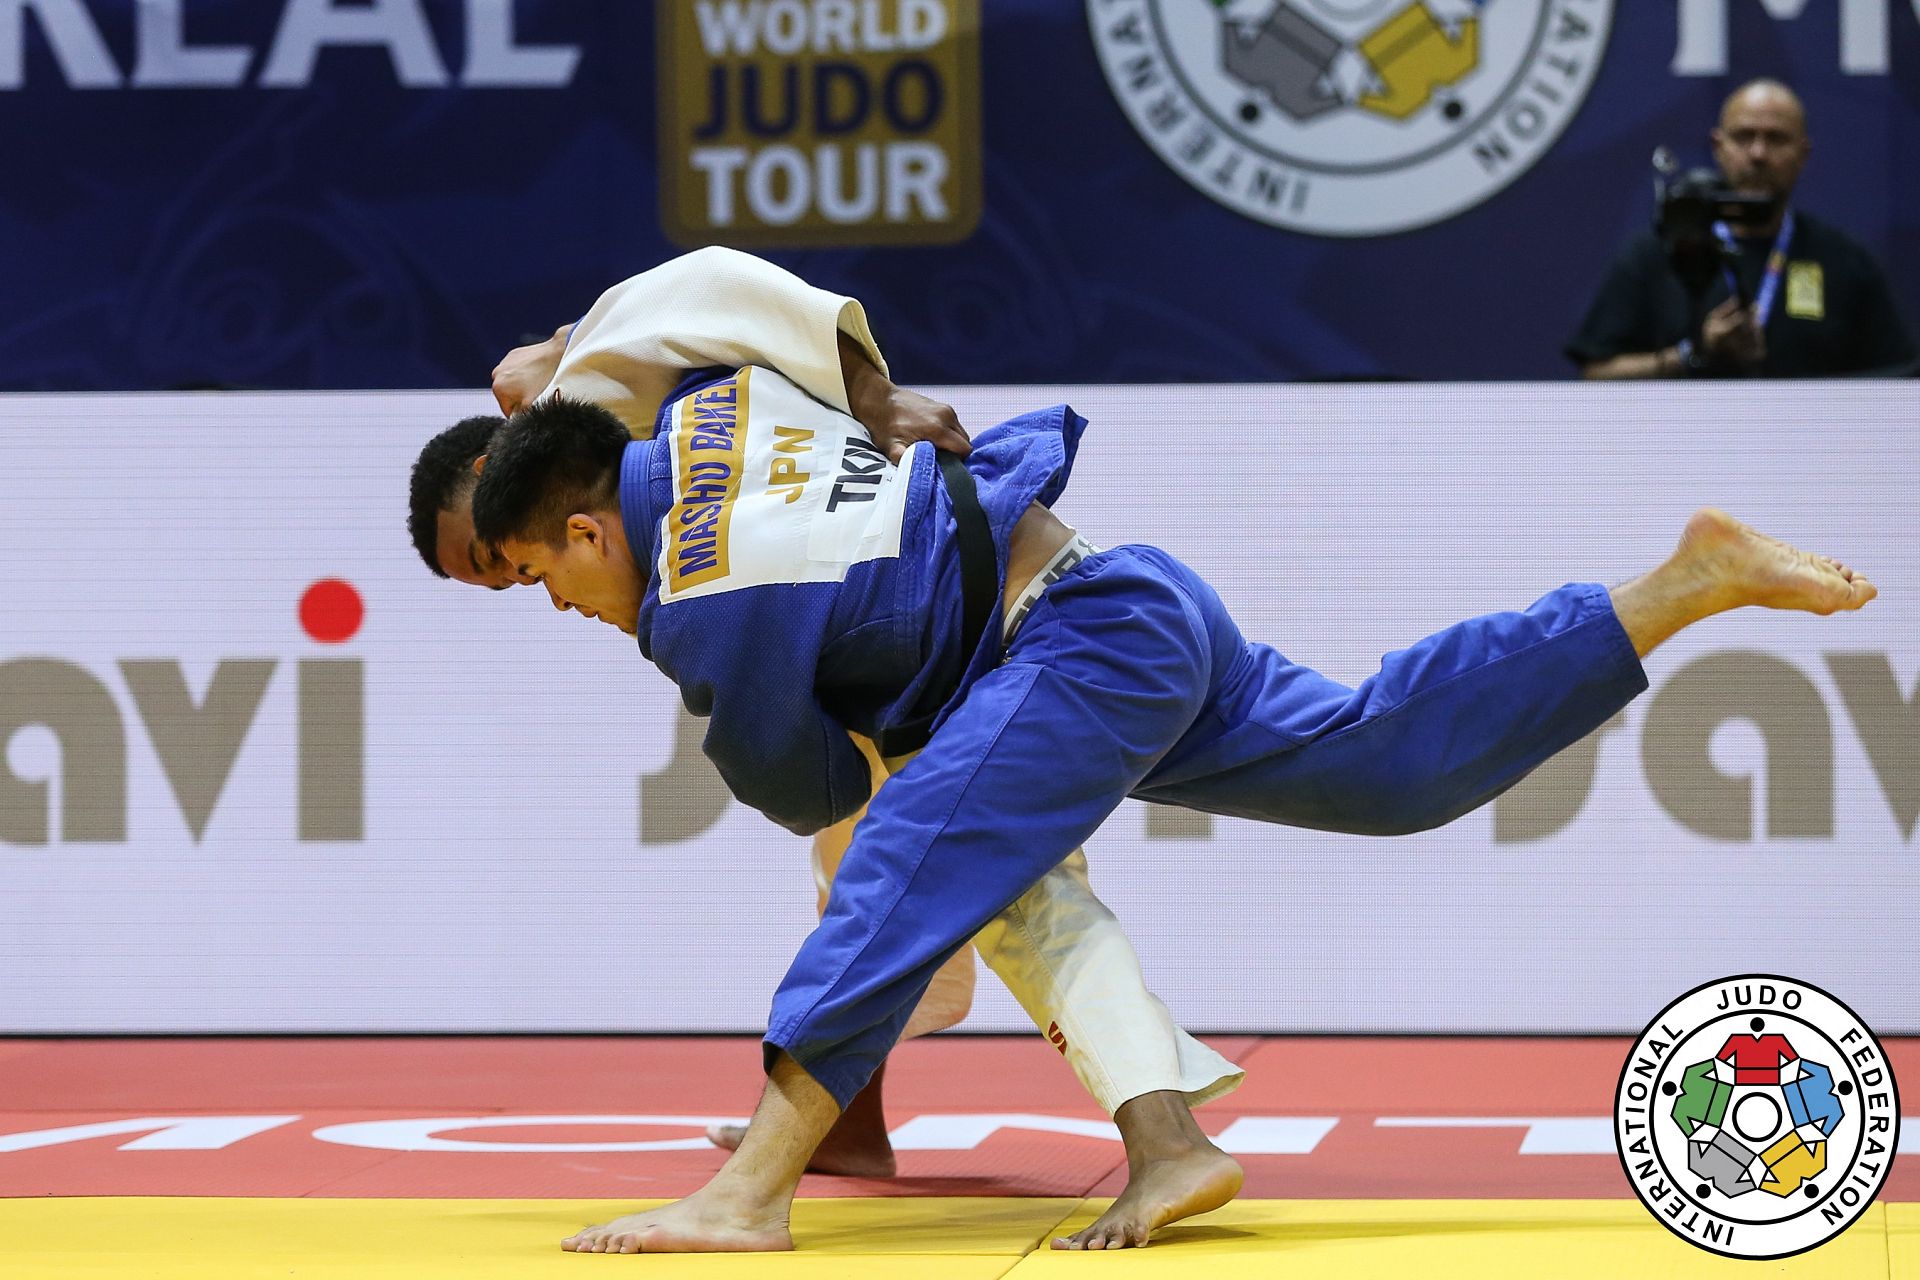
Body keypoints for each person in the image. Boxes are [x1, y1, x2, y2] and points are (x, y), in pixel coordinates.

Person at [469, 357, 1876, 1255]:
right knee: (1388, 766)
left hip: (1064, 641)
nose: (567, 608)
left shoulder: (689, 599)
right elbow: (829, 367)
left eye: (542, 579)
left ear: (591, 526)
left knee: (899, 864)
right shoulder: (721, 411)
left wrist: (904, 792)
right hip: (1121, 591)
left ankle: (747, 1195)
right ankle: (1676, 587)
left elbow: (816, 791)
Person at [407, 248, 1246, 1243]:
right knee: (856, 868)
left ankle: (1162, 1133)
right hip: (857, 634)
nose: (512, 576)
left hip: (917, 600)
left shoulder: (554, 384)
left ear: (484, 467)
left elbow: (716, 282)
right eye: (496, 582)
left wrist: (876, 397)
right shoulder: (603, 504)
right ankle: (850, 1123)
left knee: (1002, 890)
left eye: (492, 557)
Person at [1568, 78, 1916, 379]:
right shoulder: (1657, 253)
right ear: (1718, 147)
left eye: (1776, 139)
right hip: (1684, 449)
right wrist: (1693, 355)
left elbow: (1898, 381)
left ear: (1803, 153)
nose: (1758, 153)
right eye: (1744, 137)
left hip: (1806, 449)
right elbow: (1597, 375)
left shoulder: (1844, 261)